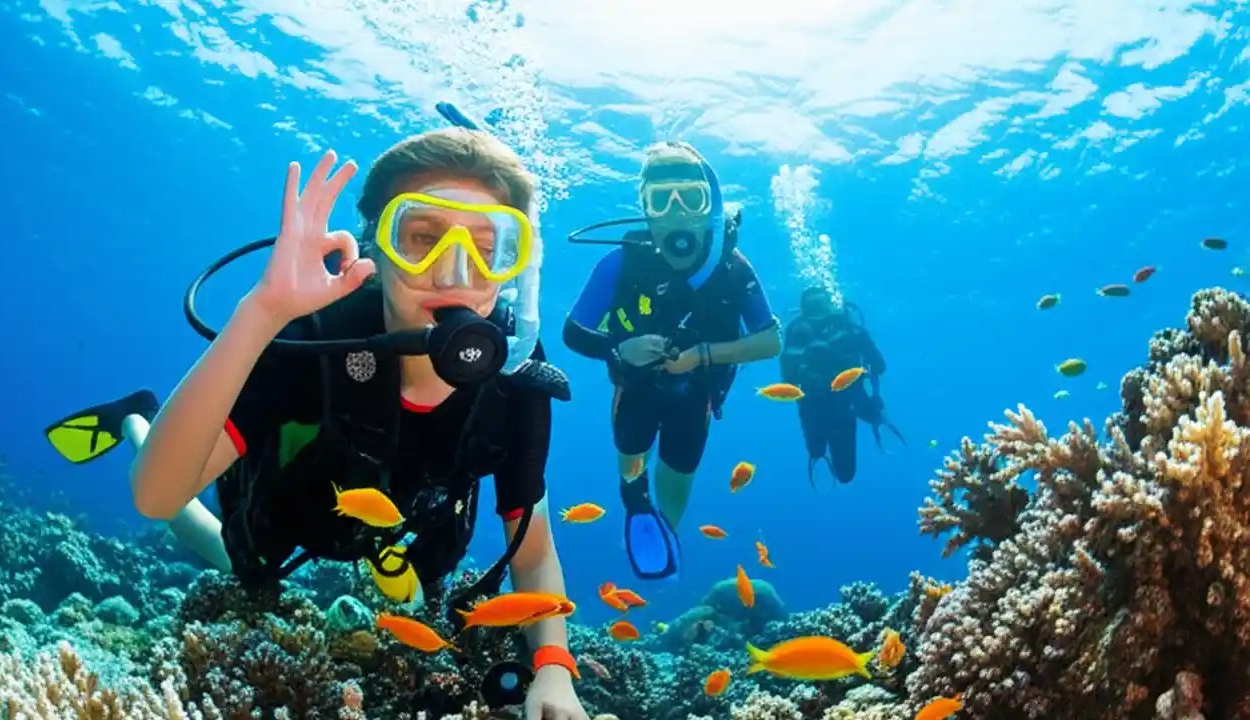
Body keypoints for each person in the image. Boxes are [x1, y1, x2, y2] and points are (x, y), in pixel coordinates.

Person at [45, 127, 589, 720]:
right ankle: (139, 420)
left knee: (420, 594)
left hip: (405, 521)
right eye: (421, 239)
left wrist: (555, 672)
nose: (453, 273)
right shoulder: (321, 336)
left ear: (517, 265)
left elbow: (531, 551)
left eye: (489, 247)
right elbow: (155, 496)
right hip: (303, 497)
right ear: (377, 252)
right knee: (241, 563)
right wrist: (264, 312)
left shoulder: (517, 374)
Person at [562, 141, 781, 581]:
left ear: (709, 206)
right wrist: (618, 349)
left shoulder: (733, 266)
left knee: (681, 466)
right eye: (662, 200)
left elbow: (770, 340)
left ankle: (666, 529)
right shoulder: (620, 263)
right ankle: (634, 497)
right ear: (645, 208)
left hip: (696, 392)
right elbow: (574, 333)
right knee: (632, 447)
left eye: (691, 197)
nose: (678, 212)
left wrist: (702, 356)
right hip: (636, 385)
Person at [779, 287, 904, 487]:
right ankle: (879, 424)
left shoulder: (796, 330)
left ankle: (819, 459)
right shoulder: (850, 327)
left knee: (818, 452)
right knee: (846, 473)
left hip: (812, 405)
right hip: (849, 401)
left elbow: (787, 377)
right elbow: (879, 366)